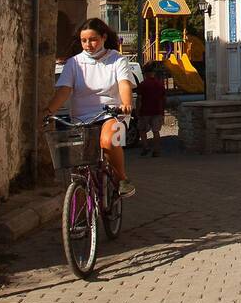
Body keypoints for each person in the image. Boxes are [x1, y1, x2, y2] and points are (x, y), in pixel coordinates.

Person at [41, 17, 138, 197]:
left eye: (92, 39)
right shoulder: (74, 63)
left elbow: (124, 84)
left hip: (113, 113)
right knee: (79, 164)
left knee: (109, 142)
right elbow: (64, 91)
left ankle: (122, 178)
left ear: (103, 37)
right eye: (84, 40)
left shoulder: (117, 59)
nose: (88, 45)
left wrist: (126, 104)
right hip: (81, 117)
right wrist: (48, 111)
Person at [137, 63, 167, 158]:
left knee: (141, 130)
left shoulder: (142, 85)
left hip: (145, 111)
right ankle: (156, 150)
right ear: (154, 73)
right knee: (156, 131)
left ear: (145, 73)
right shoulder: (160, 84)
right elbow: (164, 98)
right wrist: (162, 110)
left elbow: (139, 99)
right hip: (157, 110)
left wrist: (138, 110)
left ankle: (145, 146)